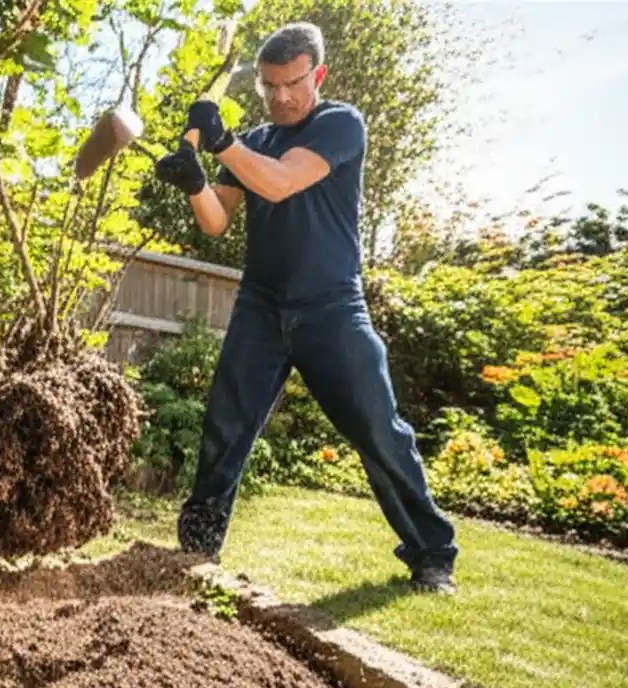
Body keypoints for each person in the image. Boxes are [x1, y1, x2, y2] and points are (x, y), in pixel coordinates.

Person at [152, 21, 459, 593]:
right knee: (225, 422)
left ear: (317, 74)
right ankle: (196, 546)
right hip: (261, 305)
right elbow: (217, 222)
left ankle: (432, 552)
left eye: (292, 83)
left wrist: (221, 143)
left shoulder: (340, 124)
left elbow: (281, 184)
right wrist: (196, 181)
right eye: (270, 86)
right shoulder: (255, 142)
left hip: (331, 306)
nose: (281, 97)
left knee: (376, 426)